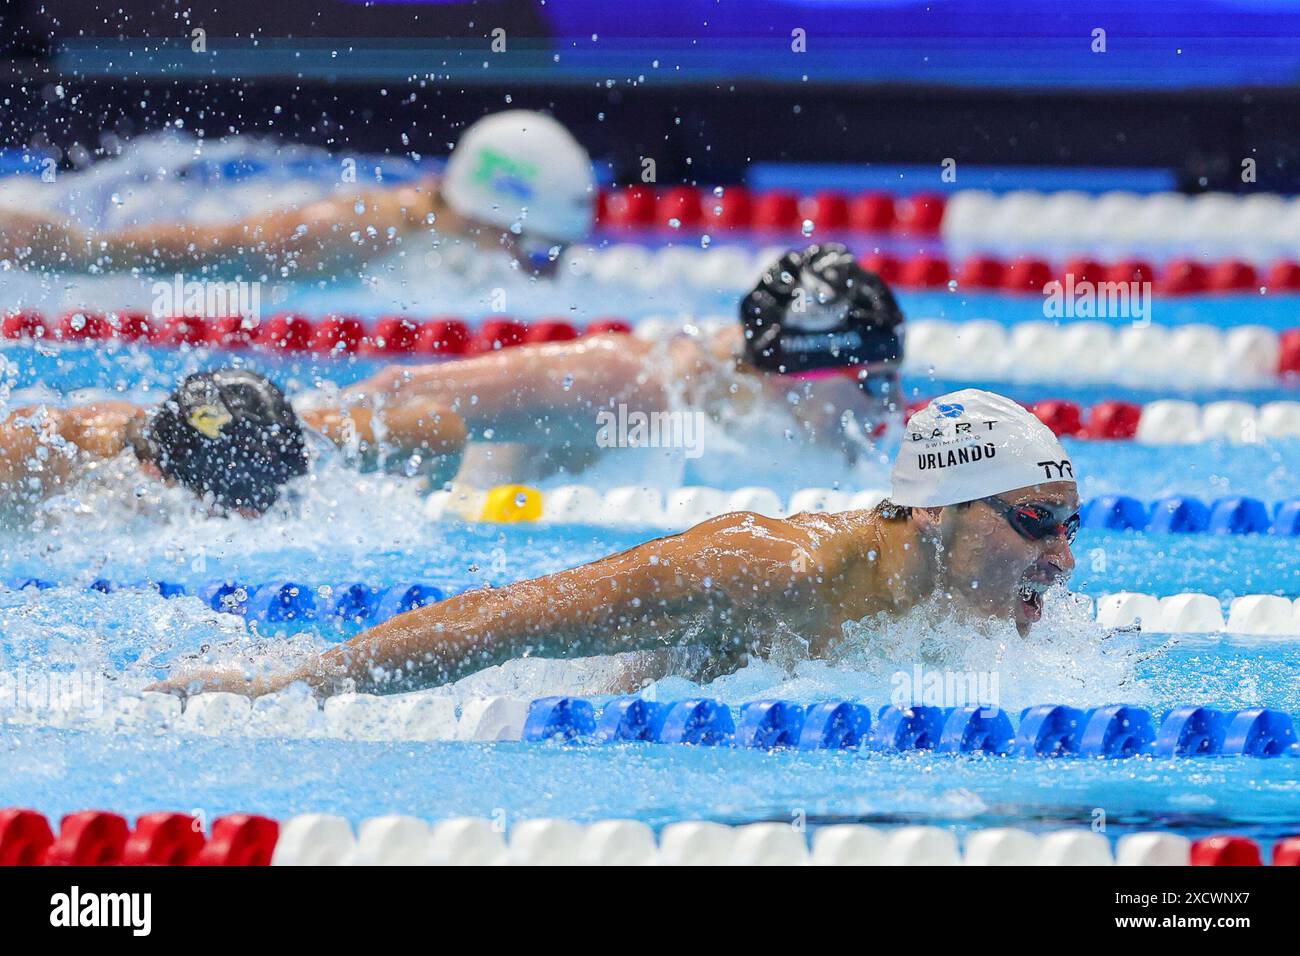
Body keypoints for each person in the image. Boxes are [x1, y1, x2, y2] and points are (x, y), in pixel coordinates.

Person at [152, 388, 1080, 698]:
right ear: (935, 511)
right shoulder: (769, 567)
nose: (1062, 557)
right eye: (1035, 521)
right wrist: (287, 686)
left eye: (1070, 526)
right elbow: (511, 620)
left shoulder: (988, 611)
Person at [350, 241, 907, 486]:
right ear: (799, 373)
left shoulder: (764, 431)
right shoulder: (628, 386)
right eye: (876, 385)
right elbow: (399, 392)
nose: (894, 407)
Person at [0, 110, 595, 277]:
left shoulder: (433, 236)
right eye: (539, 254)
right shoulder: (347, 232)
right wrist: (80, 253)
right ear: (496, 218)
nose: (542, 274)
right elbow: (206, 247)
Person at [0, 367, 465, 521]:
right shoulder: (46, 453)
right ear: (157, 477)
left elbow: (443, 429)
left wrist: (428, 493)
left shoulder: (284, 434)